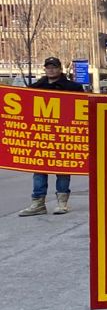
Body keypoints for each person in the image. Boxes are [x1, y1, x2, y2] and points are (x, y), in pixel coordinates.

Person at [17, 57, 85, 217]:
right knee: (39, 171)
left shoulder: (73, 87)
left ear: (60, 68)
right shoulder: (35, 88)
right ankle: (38, 203)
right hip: (42, 137)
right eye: (48, 67)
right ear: (45, 69)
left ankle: (62, 203)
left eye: (54, 67)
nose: (51, 70)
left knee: (62, 169)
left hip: (64, 137)